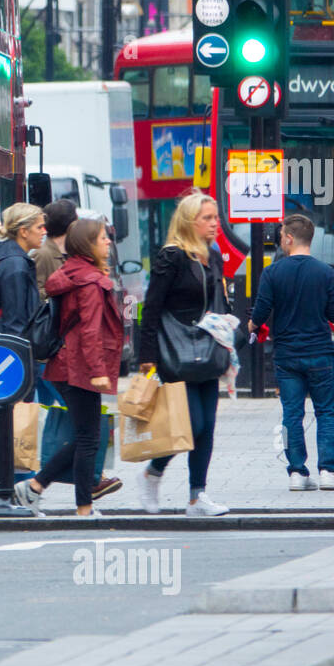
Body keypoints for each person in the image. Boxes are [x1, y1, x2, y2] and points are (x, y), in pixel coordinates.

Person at [14, 219, 123, 516]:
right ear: (88, 244)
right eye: (102, 238)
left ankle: (35, 487)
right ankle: (83, 507)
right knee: (89, 437)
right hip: (79, 366)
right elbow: (90, 330)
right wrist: (98, 370)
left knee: (84, 434)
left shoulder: (72, 273)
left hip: (66, 363)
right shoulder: (89, 281)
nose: (107, 242)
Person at [136, 191, 232, 517]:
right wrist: (146, 356)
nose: (214, 224)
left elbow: (218, 304)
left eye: (216, 218)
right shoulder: (171, 257)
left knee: (208, 426)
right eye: (207, 218)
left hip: (208, 349)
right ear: (189, 221)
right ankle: (153, 472)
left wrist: (232, 339)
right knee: (191, 423)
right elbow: (151, 308)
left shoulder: (213, 256)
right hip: (175, 351)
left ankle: (197, 497)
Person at [248, 214, 334, 491]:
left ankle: (297, 472)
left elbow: (259, 314)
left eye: (282, 235)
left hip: (286, 355)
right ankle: (329, 472)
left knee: (292, 415)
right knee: (327, 414)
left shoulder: (272, 273)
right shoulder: (326, 272)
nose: (280, 240)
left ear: (290, 238)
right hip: (321, 353)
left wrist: (249, 326)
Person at [0, 204, 45, 336]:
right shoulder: (16, 265)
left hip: (0, 340)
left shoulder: (9, 257)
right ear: (23, 232)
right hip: (9, 348)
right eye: (39, 227)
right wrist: (20, 353)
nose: (44, 232)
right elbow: (15, 322)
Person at [34, 200, 78, 301]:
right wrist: (56, 288)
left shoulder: (76, 251)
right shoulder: (42, 254)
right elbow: (34, 293)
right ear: (69, 223)